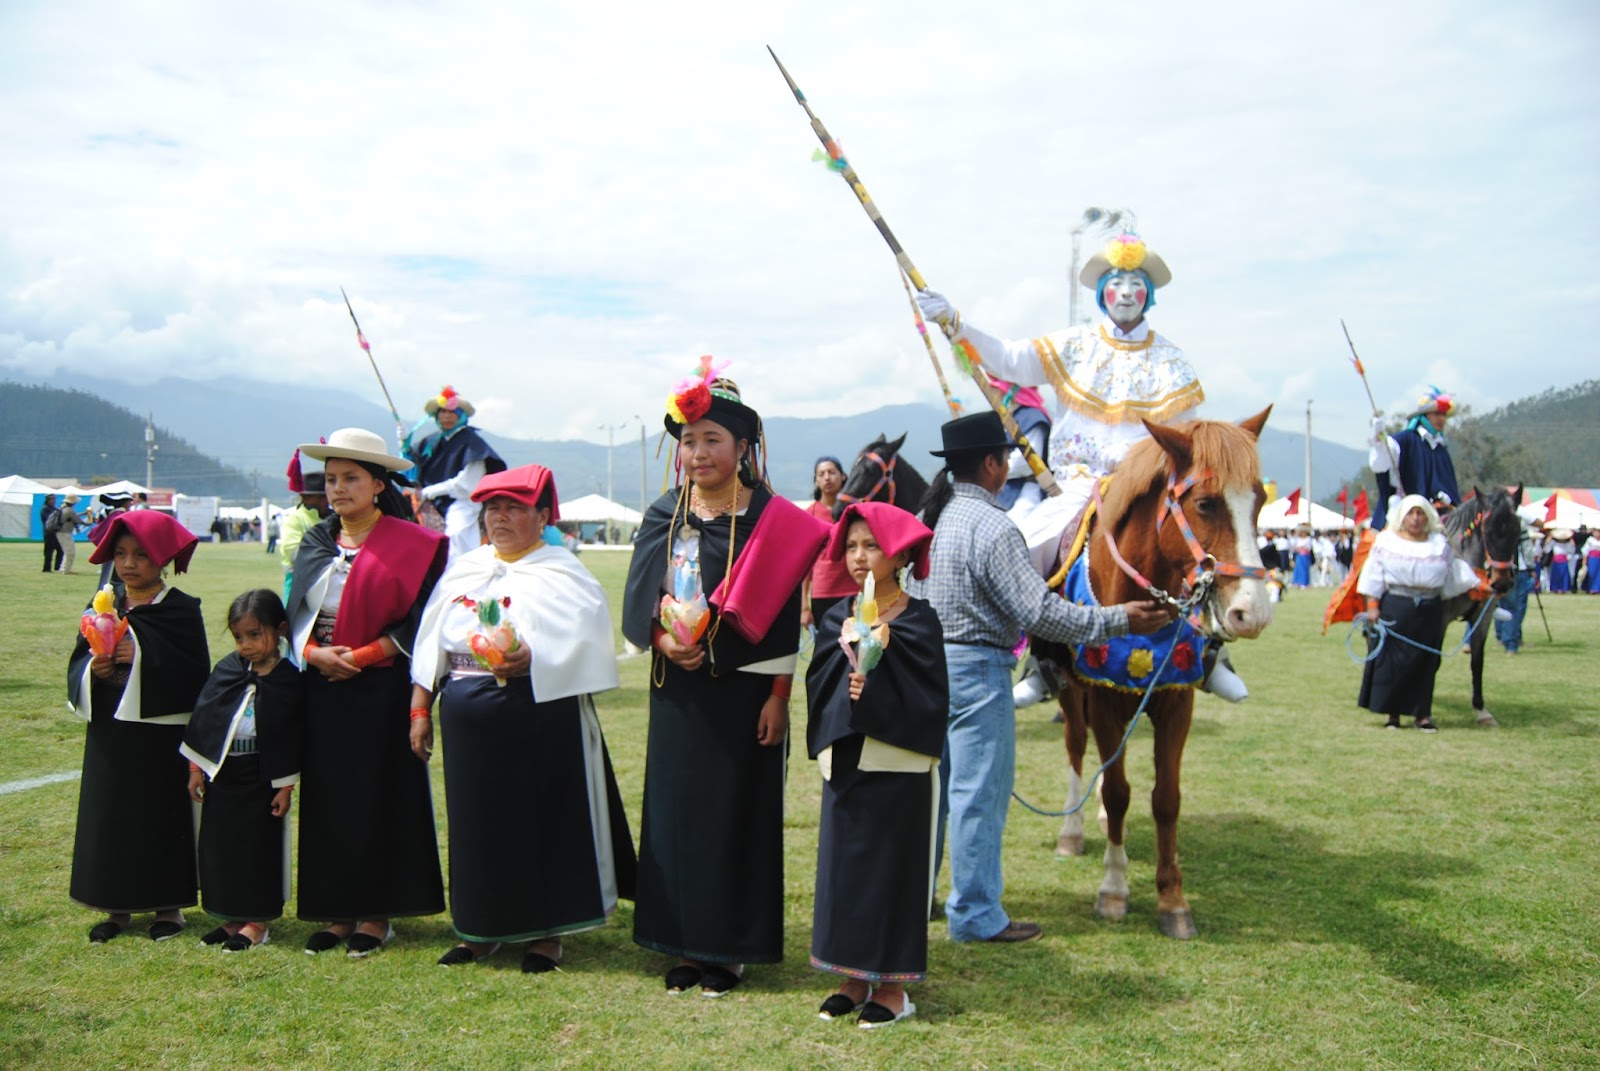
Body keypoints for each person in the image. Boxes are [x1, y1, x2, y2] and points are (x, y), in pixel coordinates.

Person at [916, 234, 1248, 704]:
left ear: (1150, 293)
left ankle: (1212, 653)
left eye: (1138, 283)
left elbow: (1185, 437)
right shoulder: (1073, 344)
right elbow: (1010, 359)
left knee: (1204, 546)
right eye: (1119, 282)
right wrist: (955, 322)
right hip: (1078, 484)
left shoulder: (1173, 360)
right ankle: (1044, 657)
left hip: (1149, 486)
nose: (1129, 292)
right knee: (1026, 545)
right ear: (1103, 292)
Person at [906, 412, 1170, 943]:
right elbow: (1043, 615)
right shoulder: (994, 526)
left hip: (925, 668)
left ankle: (918, 899)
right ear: (992, 464)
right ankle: (976, 914)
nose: (1009, 467)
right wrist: (1122, 619)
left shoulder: (928, 517)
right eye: (1006, 459)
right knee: (978, 796)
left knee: (931, 794)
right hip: (979, 672)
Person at [620, 358, 828, 996]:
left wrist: (779, 697)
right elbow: (636, 602)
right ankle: (682, 941)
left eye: (713, 439)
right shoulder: (665, 514)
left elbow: (786, 621)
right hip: (677, 692)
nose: (699, 452)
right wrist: (661, 639)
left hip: (745, 698)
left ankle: (728, 949)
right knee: (678, 816)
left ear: (743, 447)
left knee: (736, 816)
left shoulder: (773, 520)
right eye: (689, 440)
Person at [411, 464, 636, 973]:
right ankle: (479, 928)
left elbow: (588, 637)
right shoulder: (466, 567)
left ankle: (546, 933)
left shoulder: (562, 570)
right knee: (475, 824)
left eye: (515, 508)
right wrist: (420, 708)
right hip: (469, 717)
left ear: (542, 516)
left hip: (541, 715)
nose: (501, 518)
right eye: (493, 508)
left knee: (542, 821)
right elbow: (430, 642)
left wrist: (536, 656)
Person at [287, 427, 448, 957]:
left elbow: (423, 621)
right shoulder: (315, 541)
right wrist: (314, 655)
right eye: (331, 479)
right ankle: (336, 911)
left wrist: (364, 655)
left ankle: (377, 914)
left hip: (381, 686)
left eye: (350, 478)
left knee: (379, 795)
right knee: (329, 799)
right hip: (323, 686)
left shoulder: (417, 545)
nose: (337, 489)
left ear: (379, 484)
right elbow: (296, 615)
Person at [806, 502, 945, 1029]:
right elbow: (820, 683)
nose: (860, 557)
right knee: (845, 871)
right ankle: (851, 976)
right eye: (852, 546)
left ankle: (892, 988)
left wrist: (877, 688)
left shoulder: (919, 620)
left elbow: (929, 698)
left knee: (891, 871)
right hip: (846, 759)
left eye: (872, 545)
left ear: (899, 553)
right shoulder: (836, 616)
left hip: (897, 766)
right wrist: (848, 695)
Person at [67, 510, 210, 942]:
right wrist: (97, 666)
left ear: (161, 560)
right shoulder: (100, 607)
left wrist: (140, 655)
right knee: (112, 814)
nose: (129, 564)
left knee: (161, 815)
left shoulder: (182, 611)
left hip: (161, 735)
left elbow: (193, 672)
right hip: (111, 732)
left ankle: (169, 908)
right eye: (122, 554)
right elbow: (77, 664)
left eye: (141, 556)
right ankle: (116, 906)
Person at [180, 590, 305, 953]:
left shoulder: (288, 679)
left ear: (279, 630)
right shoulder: (228, 670)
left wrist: (285, 788)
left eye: (255, 634)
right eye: (239, 637)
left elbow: (290, 737)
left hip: (261, 778)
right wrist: (195, 768)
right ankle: (231, 917)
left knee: (255, 850)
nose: (246, 645)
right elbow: (204, 720)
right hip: (223, 776)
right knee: (221, 849)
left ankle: (256, 922)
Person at [1356, 495, 1479, 731]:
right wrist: (1372, 606)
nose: (1416, 518)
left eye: (1420, 513)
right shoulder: (1386, 542)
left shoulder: (1440, 545)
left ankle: (1423, 714)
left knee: (1426, 662)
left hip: (1429, 609)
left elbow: (1455, 573)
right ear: (1403, 516)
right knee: (1393, 663)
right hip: (1396, 605)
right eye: (1411, 513)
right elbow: (1373, 573)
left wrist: (1478, 585)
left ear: (1428, 516)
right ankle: (1393, 714)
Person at [403, 385, 507, 562]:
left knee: (457, 536)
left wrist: (430, 491)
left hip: (461, 501)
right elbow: (413, 466)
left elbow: (467, 484)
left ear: (461, 415)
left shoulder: (472, 443)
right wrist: (404, 446)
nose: (446, 416)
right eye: (442, 412)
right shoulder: (431, 441)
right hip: (429, 499)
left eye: (452, 412)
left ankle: (462, 573)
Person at [1369, 387, 1460, 530]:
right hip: (1404, 512)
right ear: (1424, 415)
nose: (1442, 419)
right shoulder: (1405, 440)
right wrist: (1381, 442)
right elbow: (1382, 461)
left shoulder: (1442, 449)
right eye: (1437, 414)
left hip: (1437, 516)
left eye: (1444, 415)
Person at [802, 456, 857, 631]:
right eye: (821, 474)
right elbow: (803, 566)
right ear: (816, 481)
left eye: (832, 472)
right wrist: (804, 607)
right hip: (823, 594)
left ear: (843, 476)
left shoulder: (855, 512)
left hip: (856, 590)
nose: (827, 477)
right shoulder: (808, 515)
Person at [279, 465, 331, 600]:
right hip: (299, 581)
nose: (325, 501)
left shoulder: (334, 517)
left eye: (326, 496)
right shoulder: (294, 519)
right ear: (305, 497)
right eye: (319, 497)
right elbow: (294, 552)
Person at [1495, 524, 1538, 653]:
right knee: (1514, 607)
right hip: (1515, 569)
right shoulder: (1518, 522)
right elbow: (1527, 548)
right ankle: (1512, 642)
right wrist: (1531, 567)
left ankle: (1501, 636)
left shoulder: (1493, 520)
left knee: (1499, 605)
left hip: (1496, 568)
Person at [89, 491, 135, 587]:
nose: (131, 504)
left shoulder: (115, 514)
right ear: (125, 502)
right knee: (108, 579)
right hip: (114, 550)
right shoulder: (120, 515)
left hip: (114, 550)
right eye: (130, 501)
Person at [54, 493, 84, 574]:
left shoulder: (63, 508)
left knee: (67, 552)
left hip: (61, 532)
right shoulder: (69, 510)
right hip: (65, 533)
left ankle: (63, 568)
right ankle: (66, 570)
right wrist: (89, 522)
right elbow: (78, 520)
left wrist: (82, 514)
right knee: (70, 552)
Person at [1546, 528, 1576, 593]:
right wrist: (1548, 541)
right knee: (1556, 575)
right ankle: (1555, 588)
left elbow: (1571, 551)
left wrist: (1572, 544)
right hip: (1556, 560)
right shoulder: (1554, 543)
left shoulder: (1567, 544)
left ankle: (1564, 588)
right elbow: (1546, 550)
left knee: (1564, 575)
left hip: (1564, 561)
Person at [40, 493, 64, 572]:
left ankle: (57, 567)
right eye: (52, 499)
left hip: (56, 533)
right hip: (49, 533)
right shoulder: (45, 509)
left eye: (54, 499)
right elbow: (49, 520)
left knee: (60, 550)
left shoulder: (54, 509)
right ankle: (46, 568)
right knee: (49, 552)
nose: (54, 501)